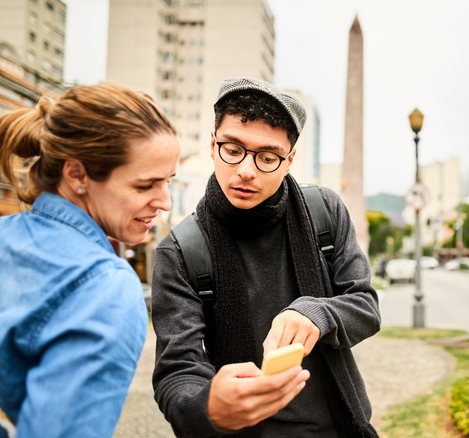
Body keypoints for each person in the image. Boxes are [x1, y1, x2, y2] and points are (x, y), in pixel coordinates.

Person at [151, 77, 381, 437]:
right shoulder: (179, 250)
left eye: (268, 158)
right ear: (212, 145)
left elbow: (365, 306)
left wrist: (317, 313)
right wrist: (208, 405)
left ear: (289, 161)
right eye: (233, 149)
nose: (246, 171)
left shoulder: (325, 211)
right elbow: (177, 369)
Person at [0, 83, 180, 437]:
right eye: (145, 185)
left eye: (168, 182)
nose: (165, 201)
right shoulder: (105, 288)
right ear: (77, 175)